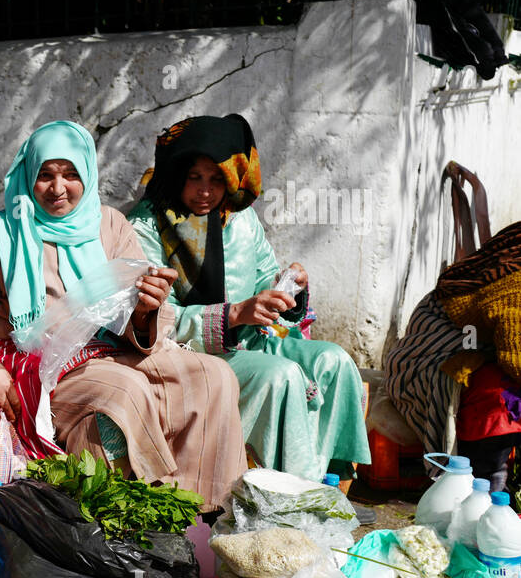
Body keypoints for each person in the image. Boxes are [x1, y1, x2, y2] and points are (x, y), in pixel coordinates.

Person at [0, 120, 244, 512]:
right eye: (45, 175)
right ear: (29, 175)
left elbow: (144, 318)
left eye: (71, 175)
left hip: (113, 348)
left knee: (214, 377)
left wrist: (147, 308)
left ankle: (207, 512)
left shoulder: (110, 225)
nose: (58, 189)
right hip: (41, 369)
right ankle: (140, 519)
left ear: (88, 174)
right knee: (122, 393)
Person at [128, 114, 371, 490]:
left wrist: (290, 290)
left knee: (333, 361)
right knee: (280, 375)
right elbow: (153, 317)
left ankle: (326, 484)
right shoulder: (145, 225)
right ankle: (289, 492)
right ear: (177, 175)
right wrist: (233, 315)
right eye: (195, 177)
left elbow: (264, 279)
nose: (206, 191)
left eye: (217, 179)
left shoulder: (239, 219)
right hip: (190, 354)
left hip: (251, 341)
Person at [386, 220, 521, 491]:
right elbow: (514, 361)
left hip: (478, 353)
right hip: (429, 363)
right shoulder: (514, 288)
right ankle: (483, 482)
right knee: (501, 393)